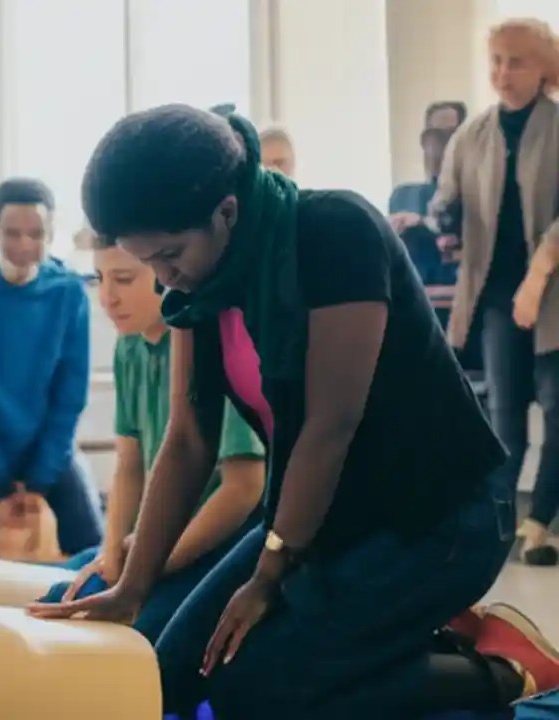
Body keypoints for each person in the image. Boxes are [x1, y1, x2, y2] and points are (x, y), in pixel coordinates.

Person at [32, 104, 558, 717]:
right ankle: (391, 640)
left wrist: (270, 574)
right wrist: (134, 587)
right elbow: (187, 440)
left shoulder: (335, 232)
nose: (163, 278)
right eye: (147, 260)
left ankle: (501, 671)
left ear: (226, 212)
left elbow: (330, 423)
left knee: (256, 687)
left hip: (439, 515)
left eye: (169, 254)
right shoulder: (198, 286)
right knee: (168, 670)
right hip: (326, 513)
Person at [40, 235, 266, 645]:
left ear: (166, 271)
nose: (107, 297)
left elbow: (244, 487)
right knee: (59, 599)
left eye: (124, 279)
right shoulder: (129, 346)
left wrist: (150, 564)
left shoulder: (215, 340)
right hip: (154, 543)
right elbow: (129, 466)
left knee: (144, 641)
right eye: (99, 278)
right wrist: (112, 554)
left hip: (217, 544)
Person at [432, 18, 559, 566]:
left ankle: (541, 522)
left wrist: (537, 279)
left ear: (544, 68)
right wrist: (442, 219)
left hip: (553, 290)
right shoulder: (473, 133)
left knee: (558, 410)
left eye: (518, 62)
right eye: (497, 61)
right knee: (505, 415)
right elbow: (448, 197)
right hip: (496, 295)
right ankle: (503, 523)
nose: (504, 73)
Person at [0, 178, 103, 558]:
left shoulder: (68, 292)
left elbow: (70, 393)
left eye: (37, 234)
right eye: (13, 233)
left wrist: (41, 474)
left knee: (96, 547)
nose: (25, 245)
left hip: (49, 451)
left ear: (50, 232)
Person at [389, 126, 460, 290]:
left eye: (438, 150)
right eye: (428, 152)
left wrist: (422, 222)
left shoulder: (472, 193)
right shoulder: (404, 194)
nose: (432, 157)